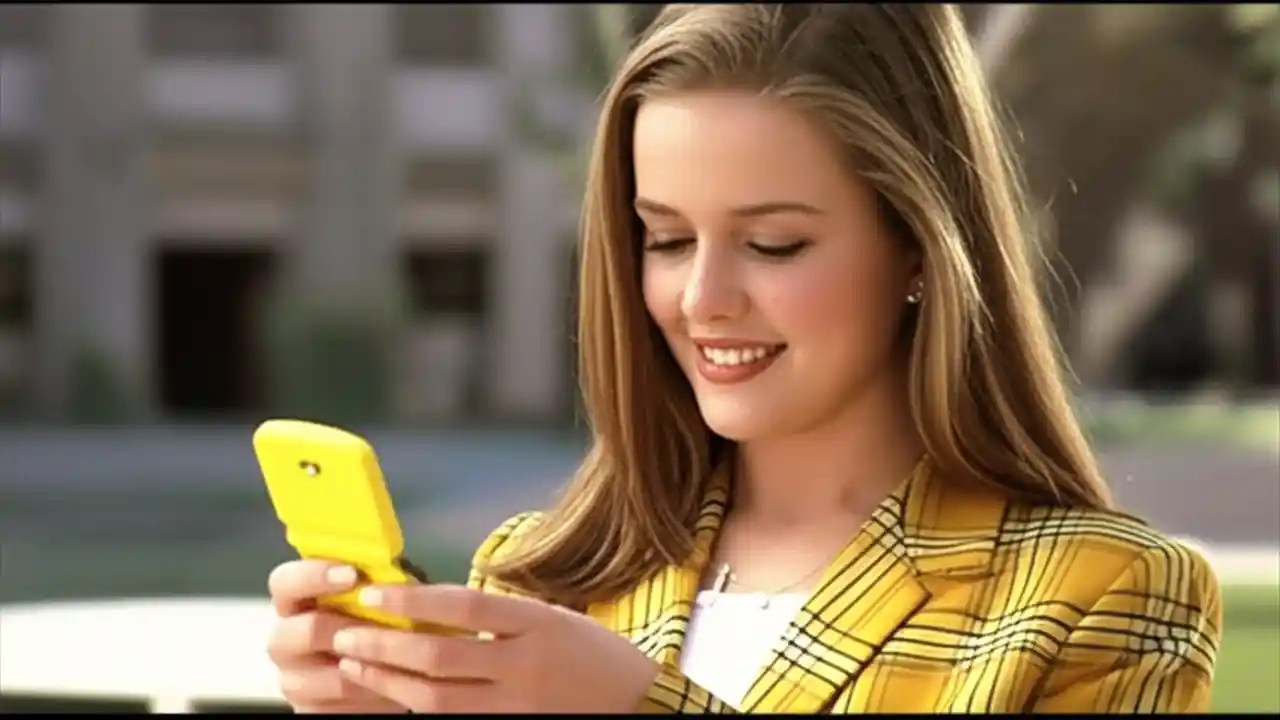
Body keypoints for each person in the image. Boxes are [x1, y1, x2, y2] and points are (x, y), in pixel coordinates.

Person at [265, 4, 1222, 713]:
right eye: (668, 240)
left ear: (920, 253)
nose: (701, 299)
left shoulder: (1105, 598)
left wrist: (644, 706)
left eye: (773, 245)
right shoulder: (537, 581)